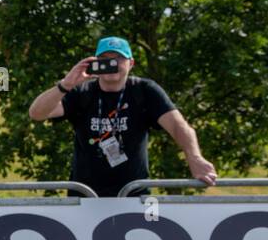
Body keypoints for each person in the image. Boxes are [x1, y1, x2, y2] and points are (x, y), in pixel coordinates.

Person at [28, 36, 217, 197]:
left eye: (119, 58)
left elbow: (178, 126)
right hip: (84, 196)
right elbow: (36, 113)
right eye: (105, 59)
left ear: (131, 63)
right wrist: (66, 84)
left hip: (133, 196)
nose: (112, 64)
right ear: (94, 63)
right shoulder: (81, 92)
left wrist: (195, 158)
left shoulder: (144, 91)